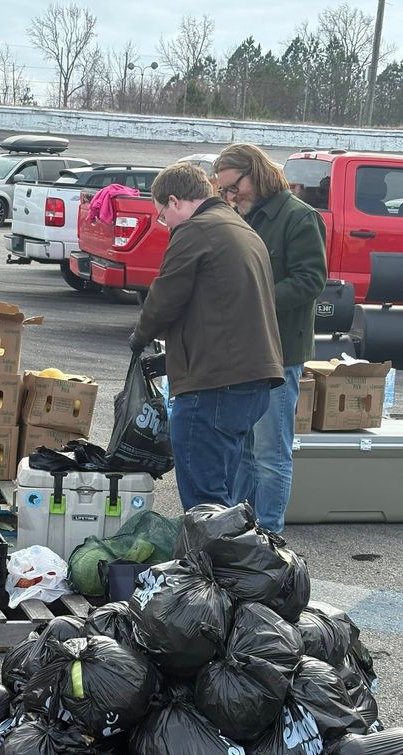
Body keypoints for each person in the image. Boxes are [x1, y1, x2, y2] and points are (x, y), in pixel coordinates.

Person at [129, 162, 284, 512]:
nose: (164, 223)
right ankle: (234, 561)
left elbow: (165, 296)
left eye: (162, 215)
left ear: (175, 201)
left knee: (205, 502)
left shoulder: (196, 231)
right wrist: (170, 361)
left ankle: (212, 564)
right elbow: (221, 312)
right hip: (253, 382)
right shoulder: (240, 228)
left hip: (216, 386)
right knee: (227, 495)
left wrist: (140, 337)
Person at [213, 144, 327, 533]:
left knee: (270, 454)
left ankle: (270, 541)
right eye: (223, 192)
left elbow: (311, 280)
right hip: (242, 353)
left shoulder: (299, 217)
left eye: (233, 188)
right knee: (242, 453)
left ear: (256, 173)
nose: (230, 197)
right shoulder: (238, 217)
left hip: (280, 354)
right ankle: (242, 537)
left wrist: (254, 301)